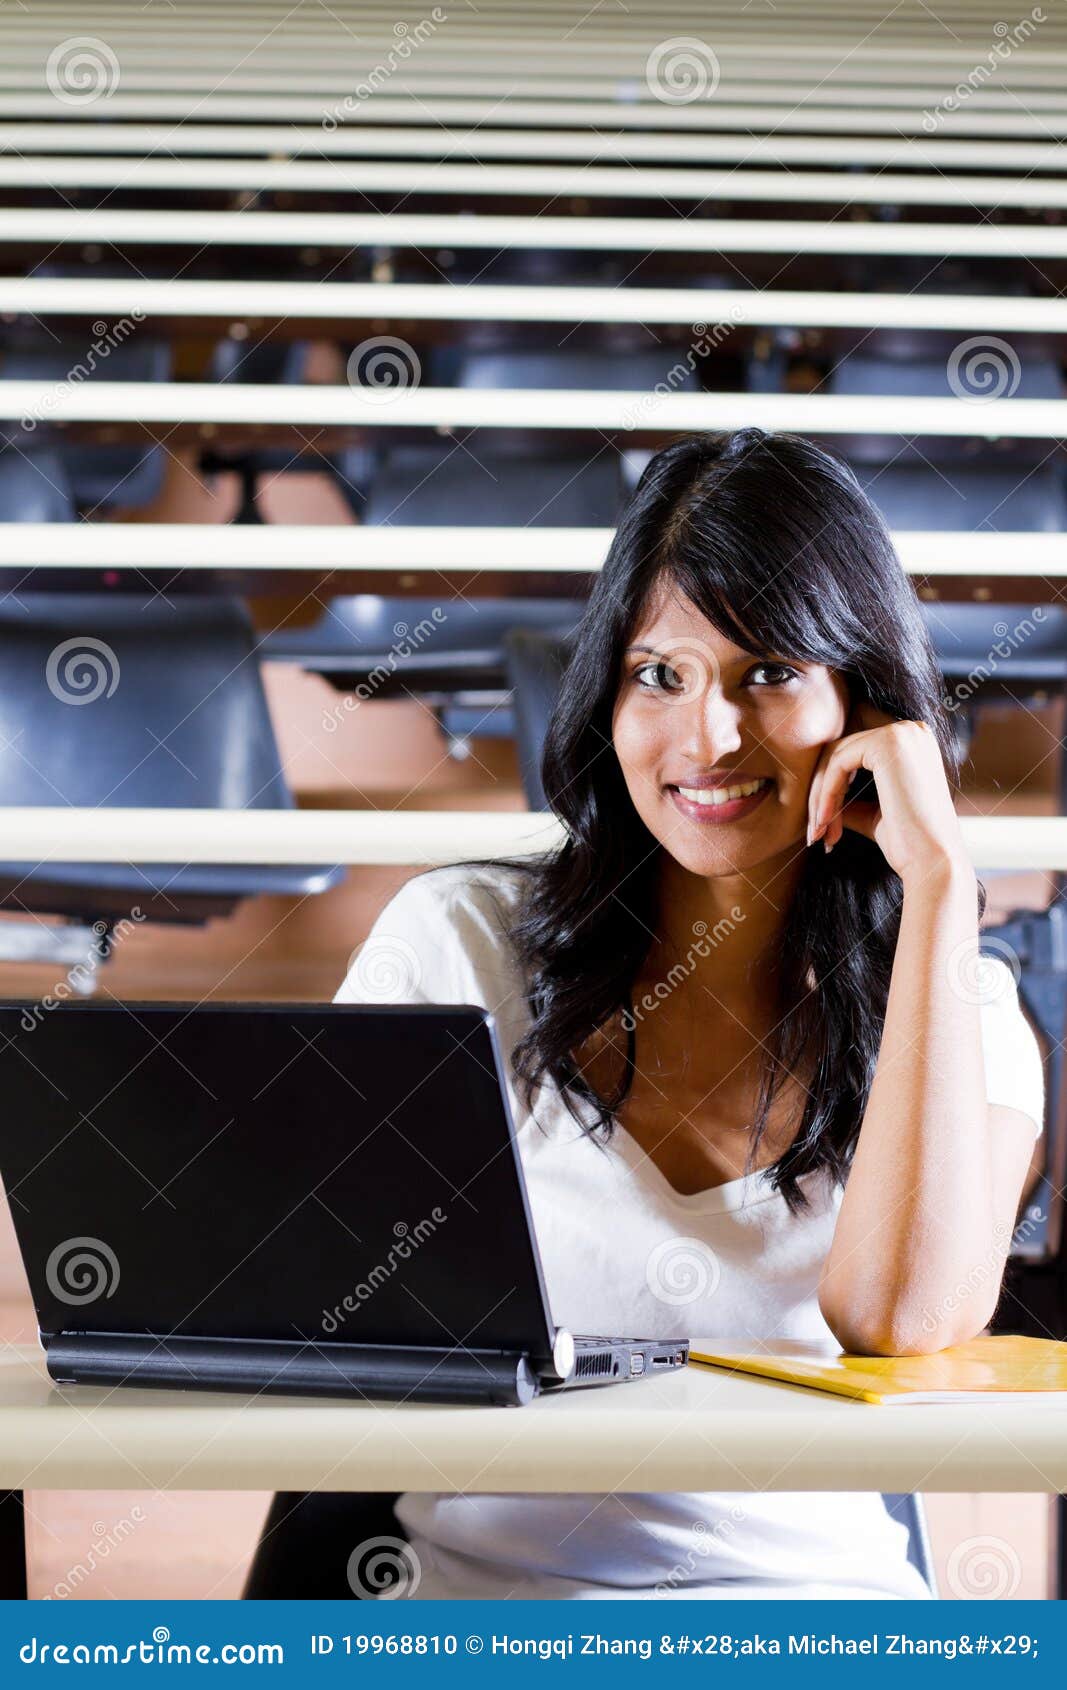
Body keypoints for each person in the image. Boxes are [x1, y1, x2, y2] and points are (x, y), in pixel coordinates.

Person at [245, 428, 1044, 1600]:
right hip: (478, 1619)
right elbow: (290, 1299)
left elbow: (900, 1317)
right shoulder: (455, 947)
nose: (706, 737)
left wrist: (934, 886)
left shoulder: (962, 1007)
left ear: (864, 703)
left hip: (813, 1627)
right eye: (658, 673)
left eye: (768, 670)